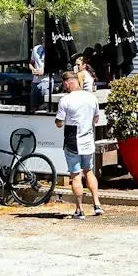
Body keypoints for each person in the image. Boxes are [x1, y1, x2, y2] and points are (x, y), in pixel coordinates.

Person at [56, 71, 103, 218]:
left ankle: (79, 209)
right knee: (89, 171)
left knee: (76, 175)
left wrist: (60, 122)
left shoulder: (65, 100)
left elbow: (60, 122)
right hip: (88, 139)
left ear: (67, 82)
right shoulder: (91, 97)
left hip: (72, 140)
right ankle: (97, 204)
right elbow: (96, 119)